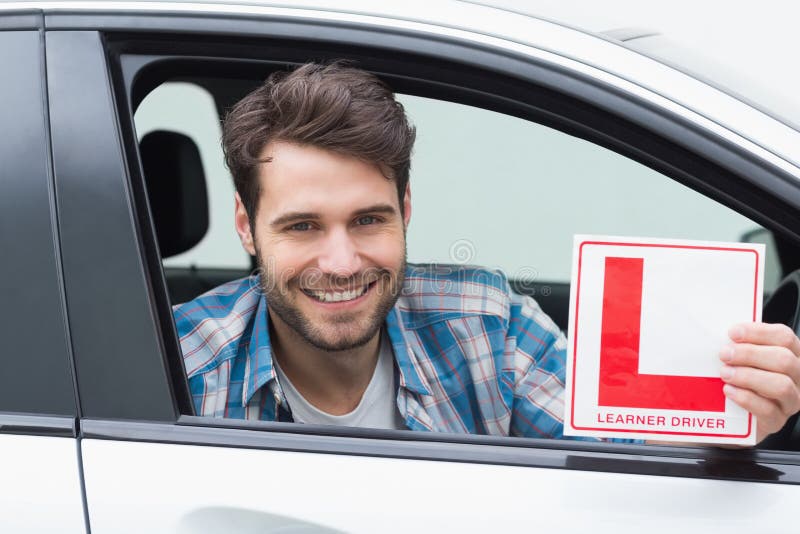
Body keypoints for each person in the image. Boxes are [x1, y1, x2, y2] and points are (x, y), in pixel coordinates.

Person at [174, 62, 800, 442]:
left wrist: (743, 420)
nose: (342, 262)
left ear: (407, 211)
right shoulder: (178, 372)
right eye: (303, 227)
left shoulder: (488, 322)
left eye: (368, 220)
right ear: (247, 227)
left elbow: (622, 456)